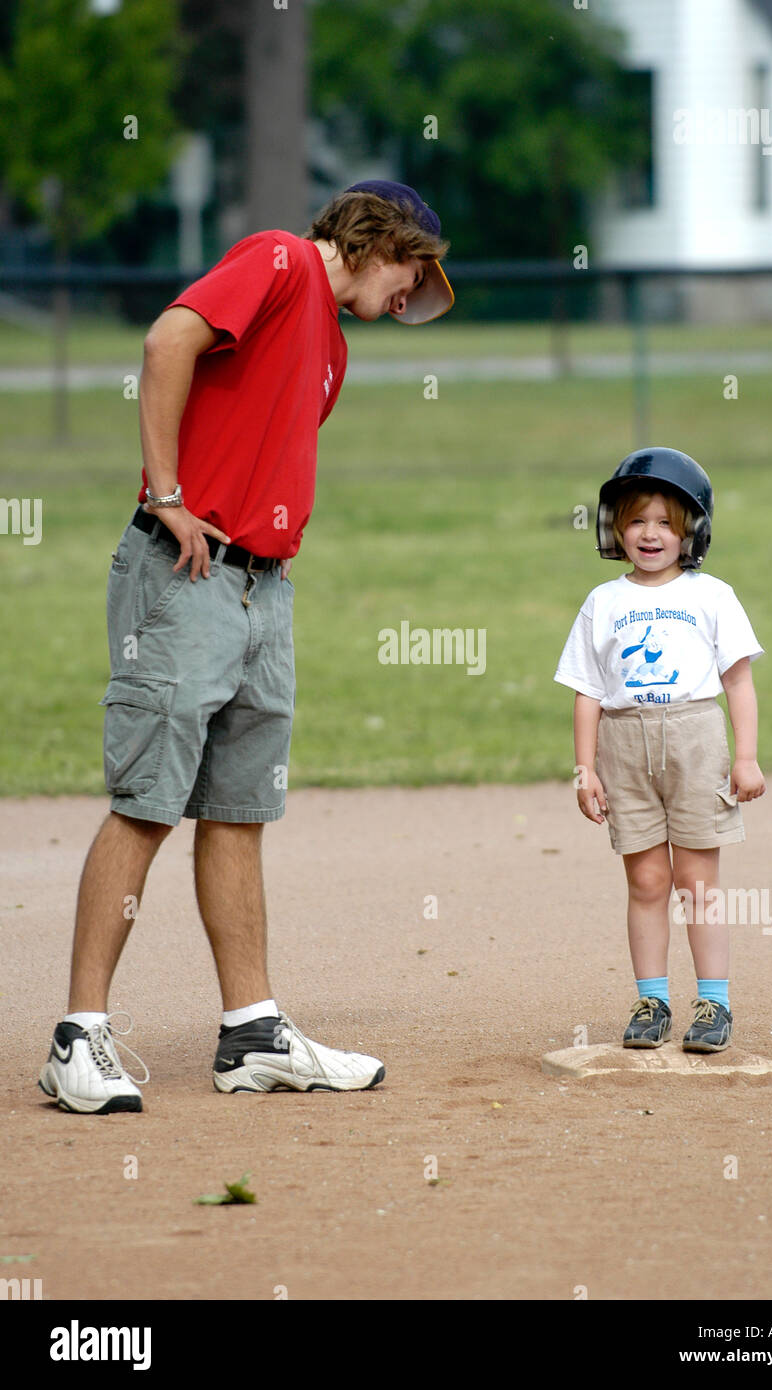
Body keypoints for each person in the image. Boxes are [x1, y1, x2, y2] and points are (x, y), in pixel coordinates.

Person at [38, 181, 454, 1114]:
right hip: (186, 568)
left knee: (236, 810)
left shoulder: (334, 348)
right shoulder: (278, 260)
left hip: (265, 586)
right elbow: (166, 341)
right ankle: (79, 1037)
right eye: (414, 272)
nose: (412, 296)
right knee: (148, 800)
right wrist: (166, 492)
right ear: (381, 238)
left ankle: (252, 1033)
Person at [554, 448, 766, 1053]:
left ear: (690, 532)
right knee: (646, 879)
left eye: (666, 523)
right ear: (616, 528)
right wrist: (585, 769)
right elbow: (588, 691)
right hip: (624, 743)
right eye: (637, 520)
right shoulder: (603, 601)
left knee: (697, 882)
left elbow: (738, 682)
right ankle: (652, 1000)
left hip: (697, 740)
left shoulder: (714, 595)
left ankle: (714, 1004)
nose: (651, 534)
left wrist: (745, 757)